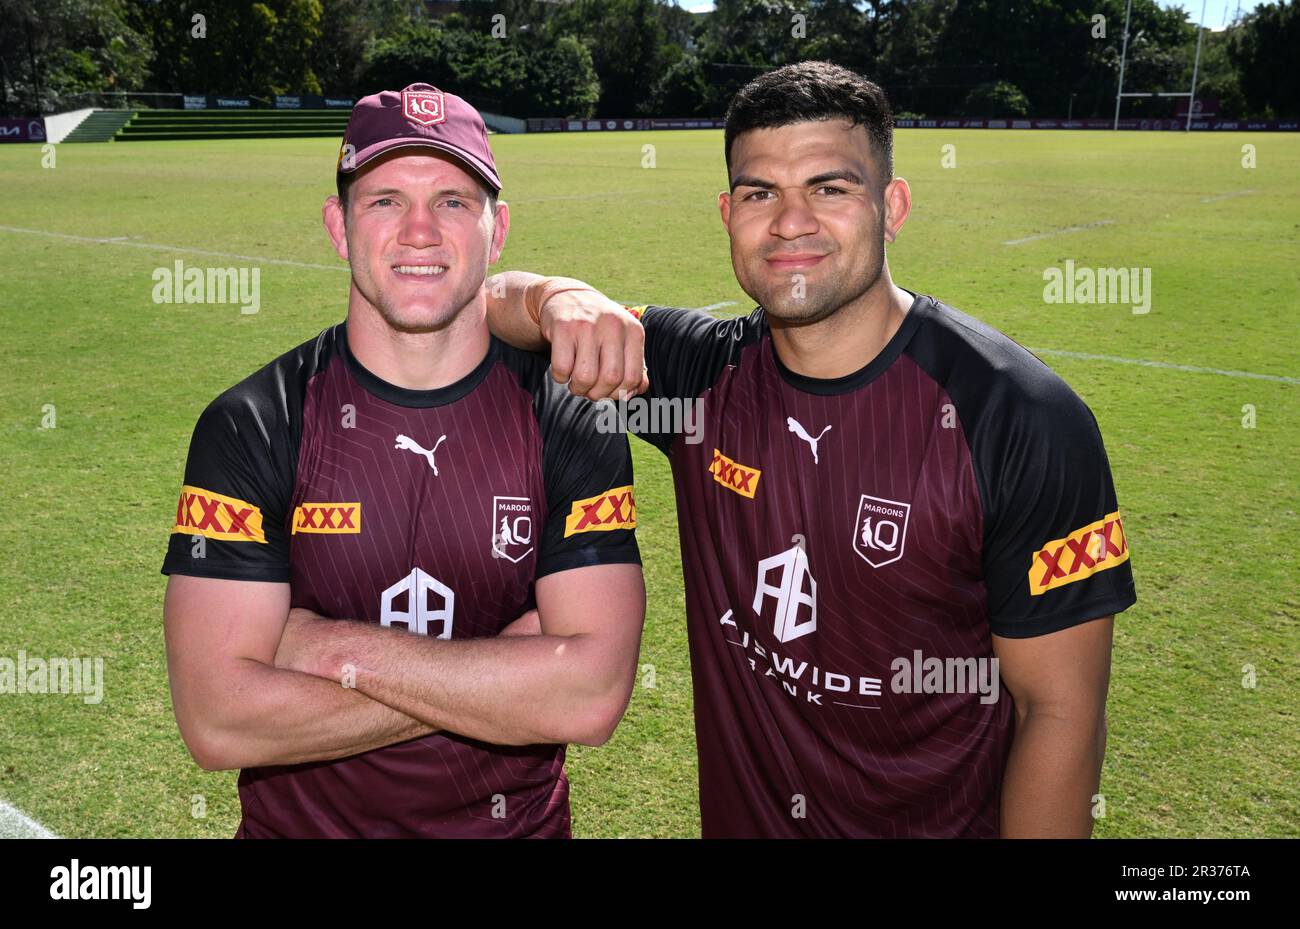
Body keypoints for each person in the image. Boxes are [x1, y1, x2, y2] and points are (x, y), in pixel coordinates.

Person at [486, 62, 1135, 837]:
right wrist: (561, 297)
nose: (791, 222)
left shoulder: (1018, 415)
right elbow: (494, 301)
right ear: (728, 212)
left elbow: (1058, 710)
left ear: (891, 206)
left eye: (831, 188)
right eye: (761, 193)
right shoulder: (698, 374)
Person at [162, 83, 645, 838]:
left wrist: (327, 646)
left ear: (499, 228)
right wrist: (501, 676)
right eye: (385, 200)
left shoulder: (570, 416)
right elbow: (220, 721)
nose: (420, 230)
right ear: (338, 225)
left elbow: (587, 699)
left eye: (452, 201)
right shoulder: (252, 423)